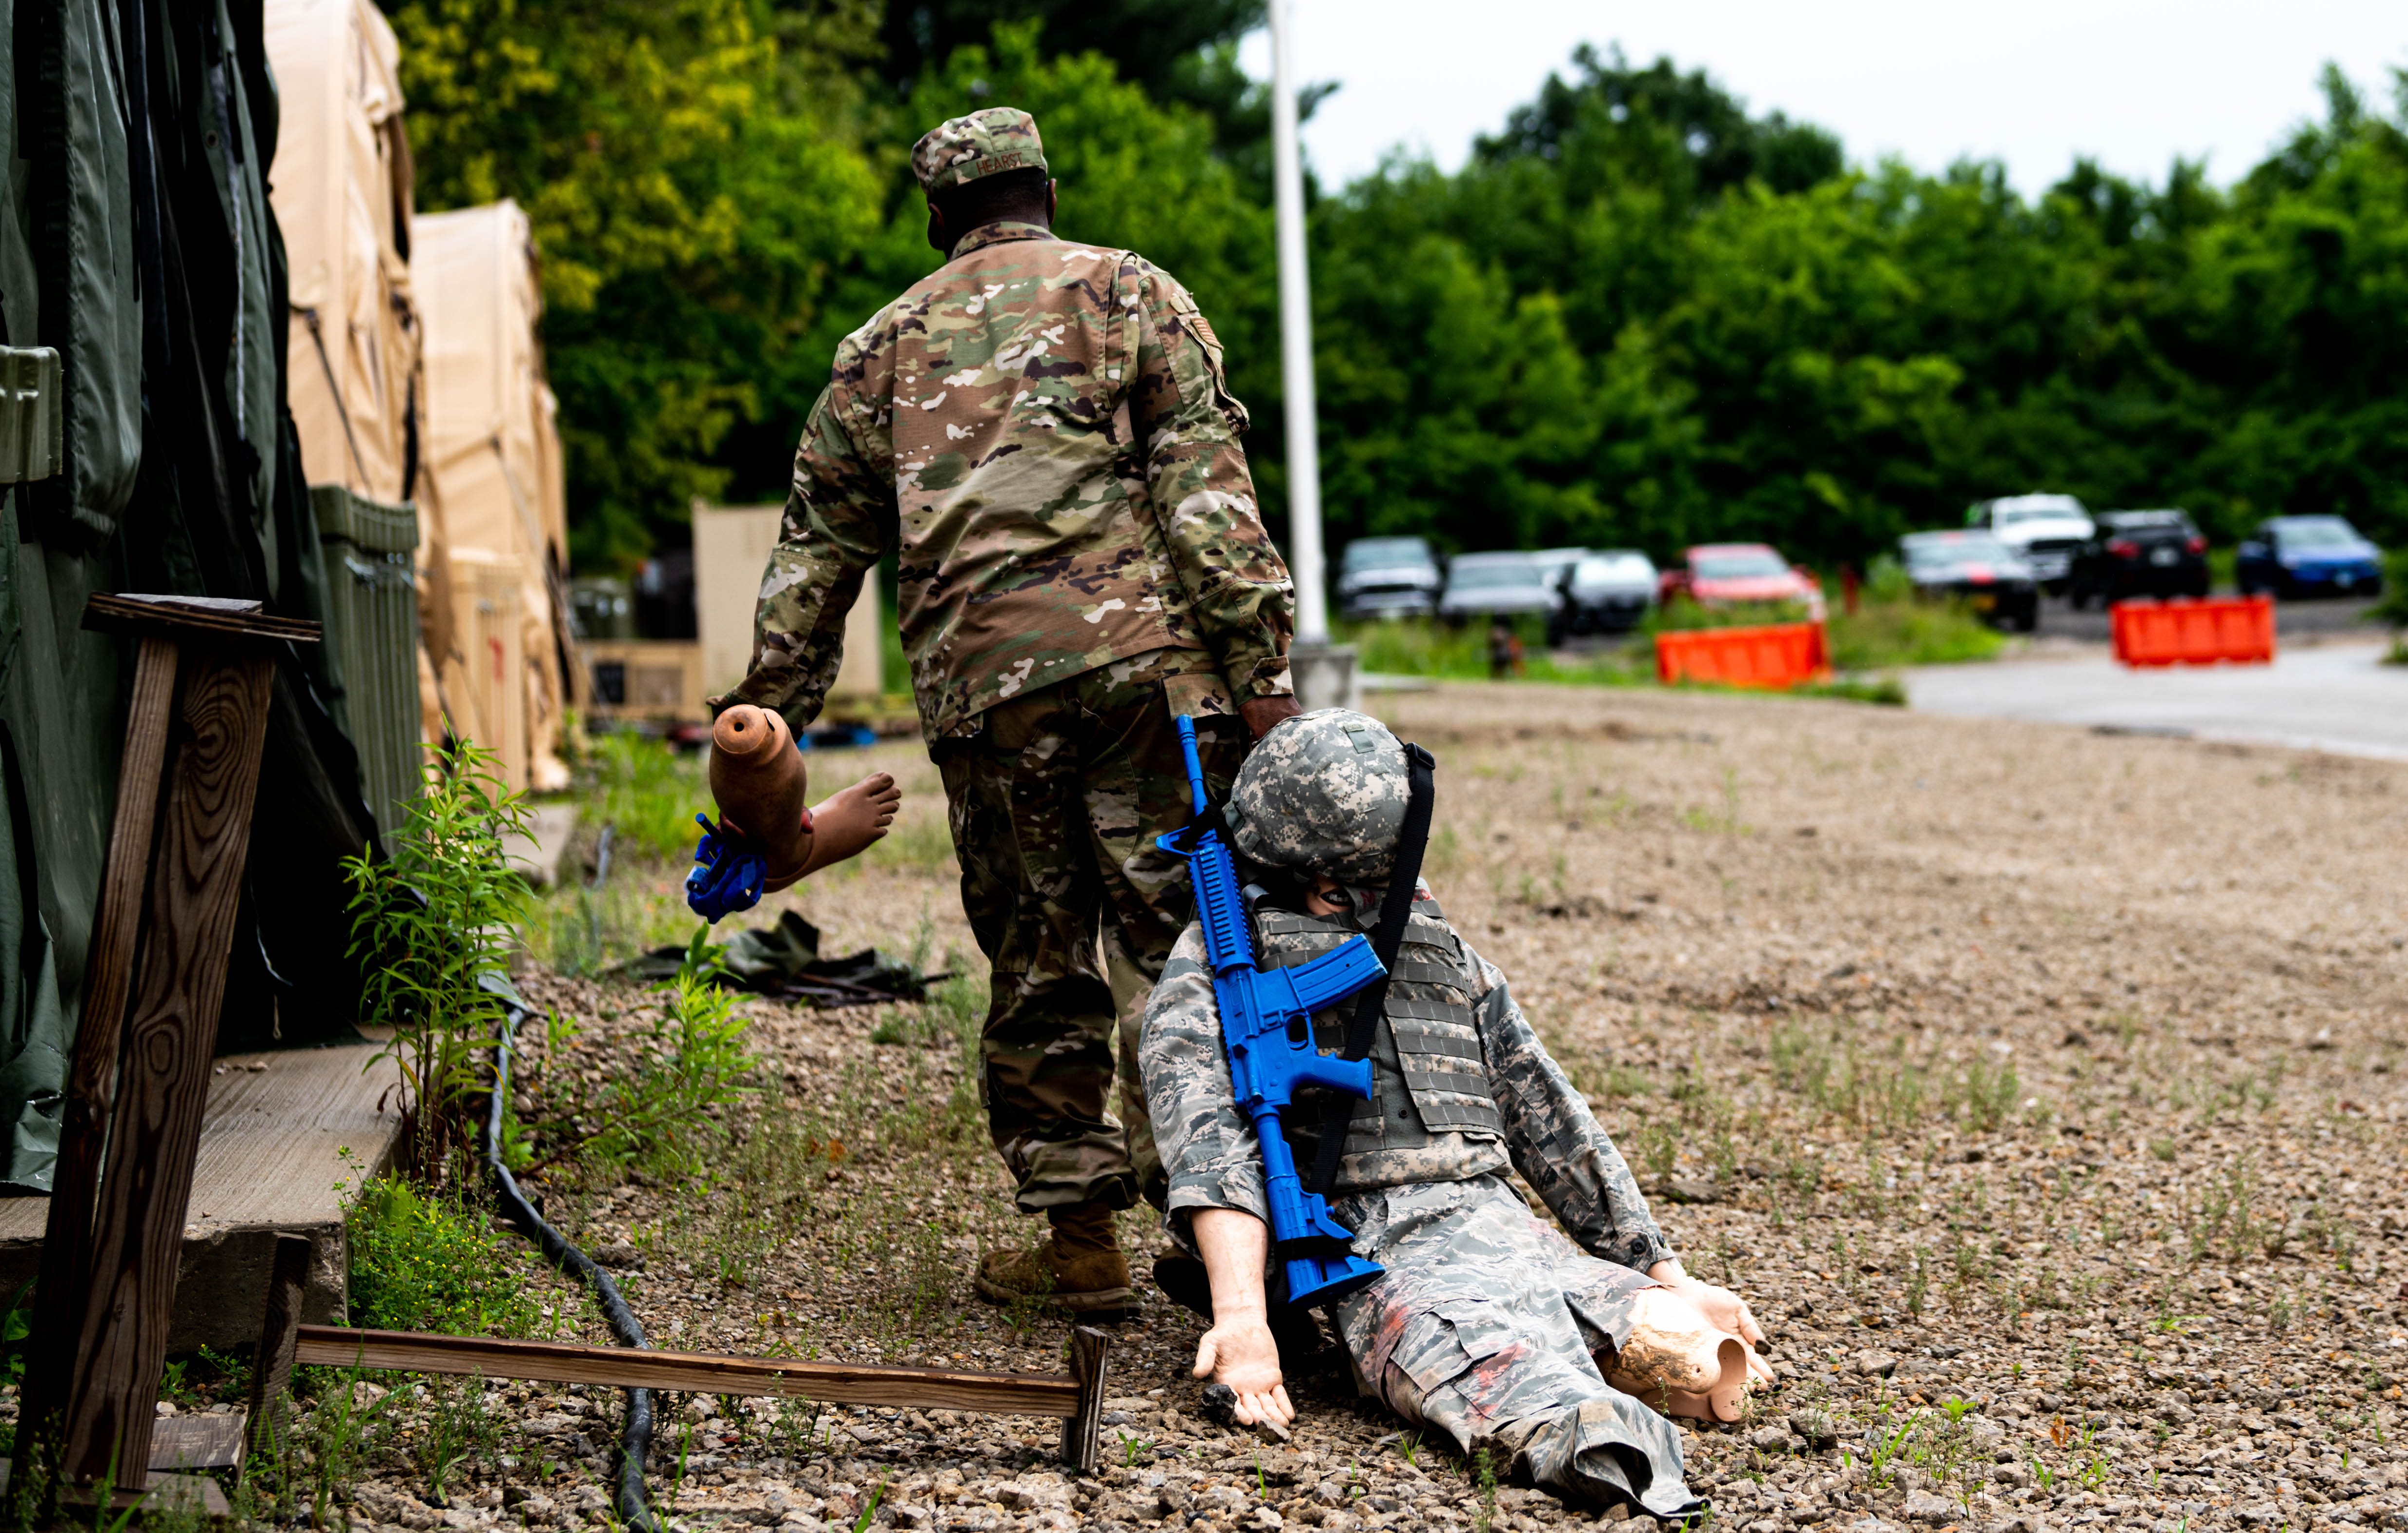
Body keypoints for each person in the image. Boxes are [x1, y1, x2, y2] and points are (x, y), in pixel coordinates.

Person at [710, 106, 1300, 1313]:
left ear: (938, 219)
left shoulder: (876, 350)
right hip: (1152, 676)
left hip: (987, 698)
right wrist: (1265, 683)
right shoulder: (1132, 292)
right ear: (1044, 188)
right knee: (1185, 948)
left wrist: (770, 721)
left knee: (1037, 960)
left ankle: (1081, 1244)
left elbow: (815, 554)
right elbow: (1209, 500)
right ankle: (1223, 1228)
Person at [1142, 710, 1774, 1520]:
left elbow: (1546, 1109)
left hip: (1505, 1224)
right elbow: (1213, 1150)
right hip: (1375, 1248)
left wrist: (1667, 1273)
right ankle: (1606, 1436)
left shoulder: (1435, 944)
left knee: (1702, 1359)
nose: (1365, 900)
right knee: (1557, 1413)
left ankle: (1615, 1354)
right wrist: (1242, 1321)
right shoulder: (1220, 967)